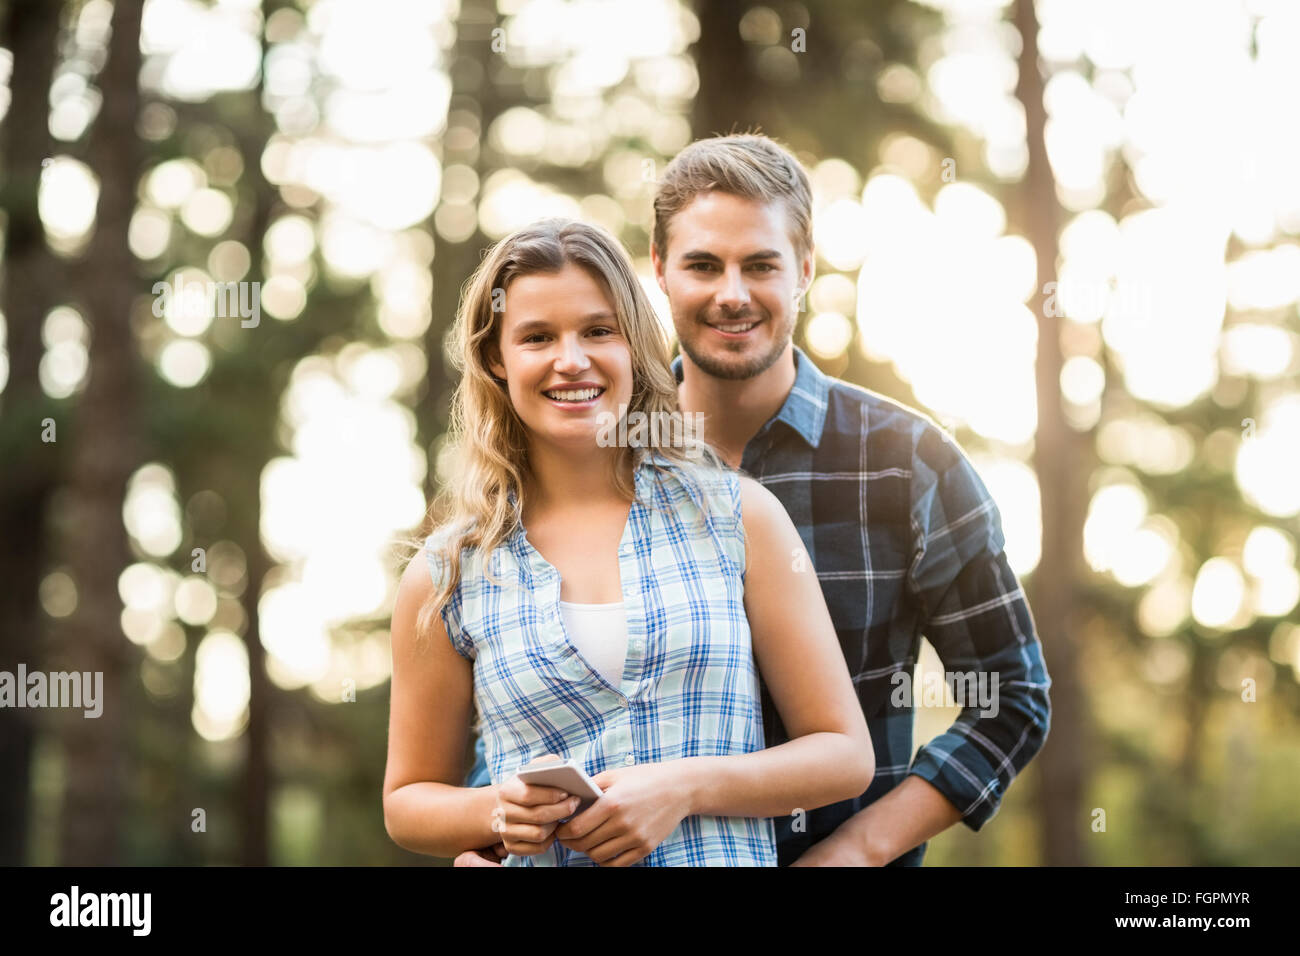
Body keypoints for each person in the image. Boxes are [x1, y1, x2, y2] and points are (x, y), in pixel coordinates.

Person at [456, 134, 1052, 867]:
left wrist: (860, 850)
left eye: (761, 264)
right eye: (703, 264)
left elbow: (1011, 698)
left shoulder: (908, 466)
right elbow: (528, 697)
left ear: (803, 269)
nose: (731, 293)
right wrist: (490, 842)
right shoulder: (582, 452)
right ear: (660, 271)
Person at [383, 217, 875, 866]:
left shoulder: (737, 517)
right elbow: (408, 800)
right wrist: (496, 809)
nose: (572, 360)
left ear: (632, 344)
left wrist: (686, 787)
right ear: (498, 358)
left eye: (597, 331)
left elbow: (844, 753)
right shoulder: (448, 572)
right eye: (537, 337)